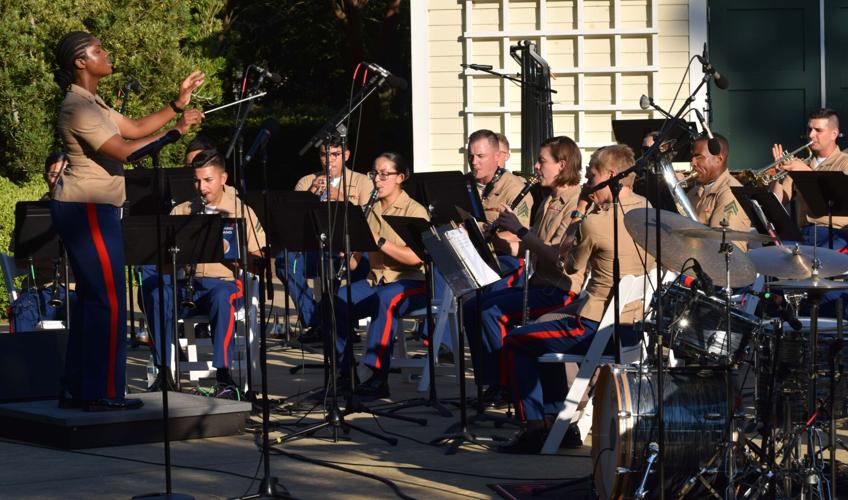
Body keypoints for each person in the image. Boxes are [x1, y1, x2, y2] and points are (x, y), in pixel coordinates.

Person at [51, 31, 203, 410]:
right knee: (110, 301)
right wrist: (177, 131)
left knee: (92, 300)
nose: (106, 53)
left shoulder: (93, 102)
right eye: (98, 50)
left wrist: (175, 104)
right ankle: (104, 392)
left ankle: (77, 388)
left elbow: (133, 128)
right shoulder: (78, 107)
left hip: (91, 208)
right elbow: (125, 151)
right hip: (87, 207)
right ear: (80, 62)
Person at [499, 144, 653, 453]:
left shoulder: (595, 222)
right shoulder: (648, 211)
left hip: (598, 327)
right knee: (544, 327)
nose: (587, 183)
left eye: (592, 175)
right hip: (634, 330)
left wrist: (580, 210)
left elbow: (566, 264)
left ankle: (534, 426)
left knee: (517, 340)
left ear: (612, 176)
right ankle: (559, 420)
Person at [462, 136, 585, 403]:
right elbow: (528, 250)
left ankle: (506, 385)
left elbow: (557, 259)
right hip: (541, 285)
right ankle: (491, 381)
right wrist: (488, 238)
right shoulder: (549, 200)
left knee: (491, 310)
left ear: (562, 165)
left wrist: (518, 229)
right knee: (473, 305)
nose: (536, 167)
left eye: (542, 161)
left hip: (561, 292)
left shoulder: (577, 204)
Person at [141, 148, 265, 393]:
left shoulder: (241, 211)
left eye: (208, 180)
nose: (201, 187)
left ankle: (223, 374)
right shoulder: (182, 211)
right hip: (188, 284)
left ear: (223, 178)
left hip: (224, 282)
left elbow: (260, 259)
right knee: (155, 292)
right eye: (196, 180)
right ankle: (164, 371)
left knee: (221, 296)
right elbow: (164, 262)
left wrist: (234, 256)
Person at [330, 152, 429, 400]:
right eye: (374, 174)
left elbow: (416, 258)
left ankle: (377, 376)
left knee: (387, 298)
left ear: (400, 177)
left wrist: (379, 241)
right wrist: (347, 253)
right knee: (336, 302)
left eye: (385, 174)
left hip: (412, 283)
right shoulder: (368, 210)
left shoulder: (414, 210)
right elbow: (354, 264)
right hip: (378, 281)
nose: (377, 180)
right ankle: (346, 373)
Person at [275, 137, 372, 342]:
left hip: (348, 251)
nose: (329, 160)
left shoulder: (362, 182)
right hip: (313, 249)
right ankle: (315, 319)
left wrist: (341, 198)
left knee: (360, 263)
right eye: (323, 154)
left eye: (335, 155)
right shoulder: (306, 181)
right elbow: (292, 224)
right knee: (285, 260)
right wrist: (310, 196)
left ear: (345, 156)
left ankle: (345, 321)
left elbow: (367, 221)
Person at [770, 108, 848, 248]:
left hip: (836, 234)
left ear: (834, 134)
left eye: (818, 130)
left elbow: (836, 199)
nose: (811, 135)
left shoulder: (845, 163)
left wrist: (805, 172)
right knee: (776, 255)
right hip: (804, 232)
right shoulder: (802, 163)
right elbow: (778, 203)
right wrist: (779, 176)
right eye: (809, 129)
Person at [467, 129, 533, 291]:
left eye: (480, 156)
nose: (474, 162)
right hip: (473, 256)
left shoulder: (515, 189)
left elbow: (519, 233)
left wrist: (478, 237)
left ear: (497, 156)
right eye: (471, 156)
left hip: (505, 259)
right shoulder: (466, 184)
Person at [686, 133, 751, 248]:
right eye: (692, 158)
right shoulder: (694, 192)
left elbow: (720, 244)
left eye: (699, 157)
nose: (693, 163)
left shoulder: (731, 192)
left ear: (718, 159)